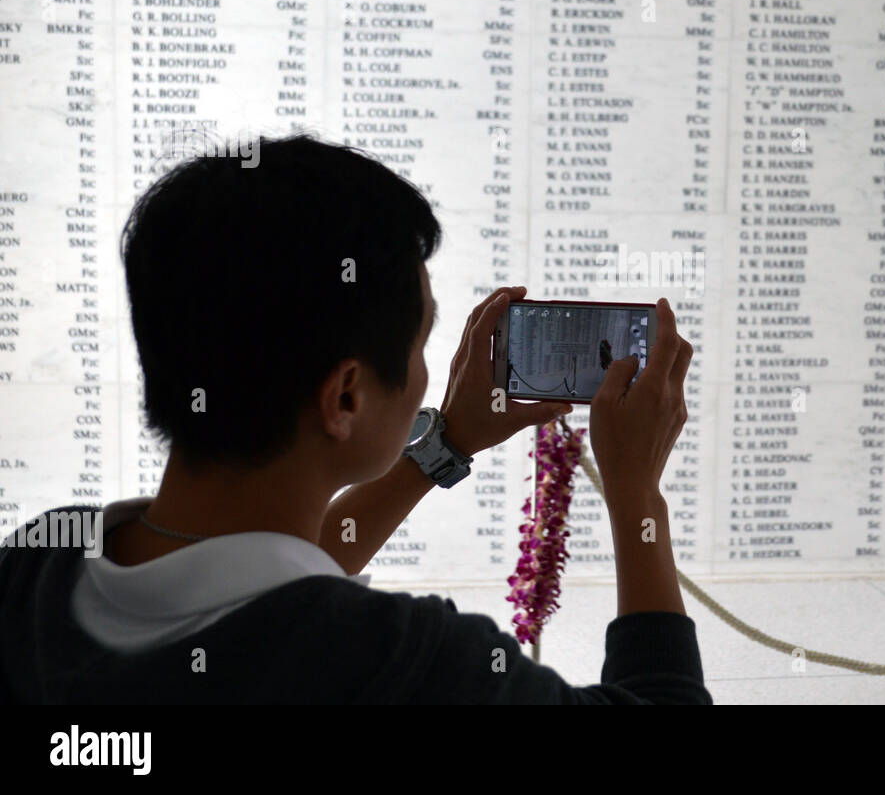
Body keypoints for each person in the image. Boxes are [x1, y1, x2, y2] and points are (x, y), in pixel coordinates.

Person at [0, 134, 709, 704]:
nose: (431, 376)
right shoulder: (415, 667)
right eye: (422, 341)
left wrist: (448, 445)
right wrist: (637, 496)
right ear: (345, 396)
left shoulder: (32, 572)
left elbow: (258, 601)